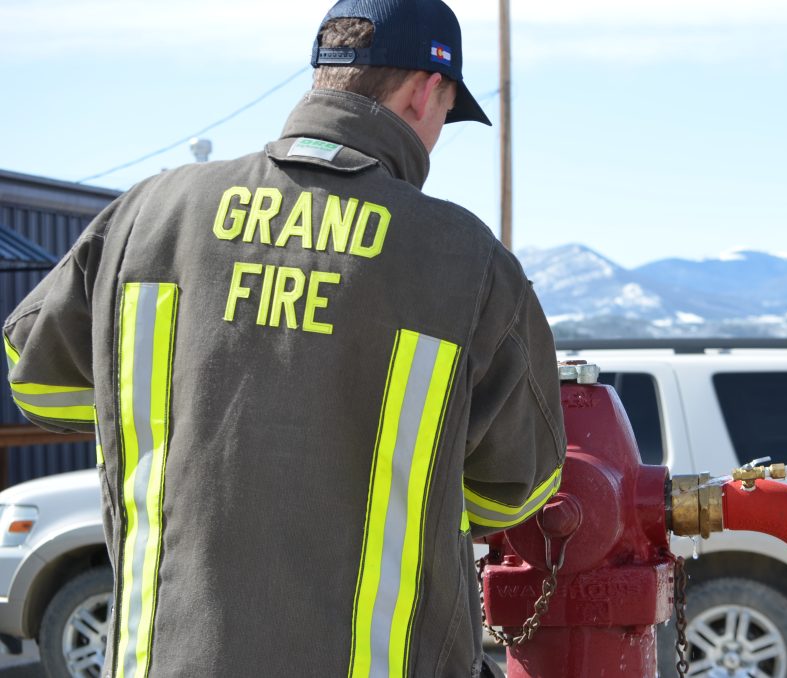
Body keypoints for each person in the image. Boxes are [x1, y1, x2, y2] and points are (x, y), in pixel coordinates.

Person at [2, 1, 565, 675]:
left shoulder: (150, 212)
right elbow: (515, 487)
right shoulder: (465, 259)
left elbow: (35, 378)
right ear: (426, 90)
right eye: (447, 112)